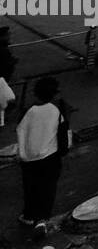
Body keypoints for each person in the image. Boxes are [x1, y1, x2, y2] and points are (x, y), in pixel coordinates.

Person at [17, 76, 68, 234]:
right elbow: (62, 135)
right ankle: (42, 219)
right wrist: (63, 152)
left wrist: (23, 153)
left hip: (28, 159)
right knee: (48, 188)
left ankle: (28, 215)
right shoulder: (57, 110)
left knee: (30, 187)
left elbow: (20, 130)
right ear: (54, 94)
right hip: (50, 158)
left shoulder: (28, 111)